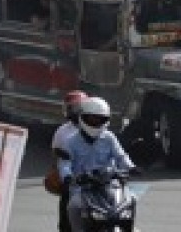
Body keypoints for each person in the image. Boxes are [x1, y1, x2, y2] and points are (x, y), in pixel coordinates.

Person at [59, 97, 138, 232]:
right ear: (82, 118)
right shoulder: (70, 142)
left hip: (109, 186)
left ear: (106, 120)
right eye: (91, 119)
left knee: (132, 199)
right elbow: (65, 164)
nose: (95, 123)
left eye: (99, 119)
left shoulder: (109, 138)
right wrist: (68, 177)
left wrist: (131, 167)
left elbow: (121, 156)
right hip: (83, 188)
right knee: (74, 206)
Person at [52, 91, 88, 232]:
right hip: (71, 180)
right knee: (66, 221)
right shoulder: (62, 131)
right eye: (70, 108)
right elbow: (56, 154)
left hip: (94, 180)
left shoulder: (96, 129)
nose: (72, 111)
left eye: (75, 108)